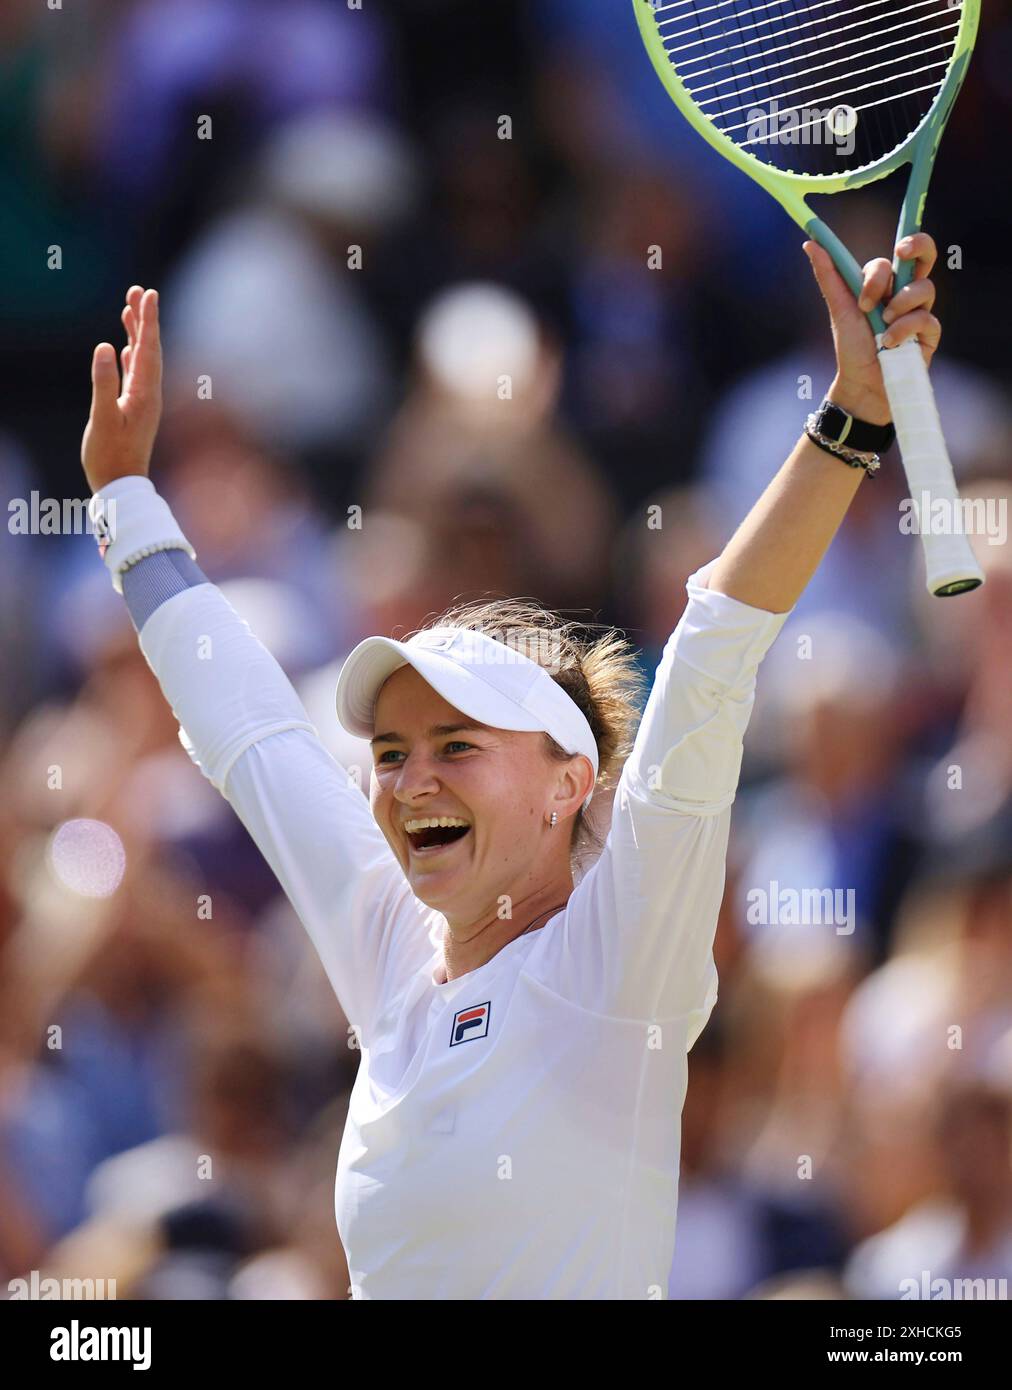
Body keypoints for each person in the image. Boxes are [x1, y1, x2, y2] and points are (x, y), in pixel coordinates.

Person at [80, 233, 945, 1299]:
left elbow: (717, 638)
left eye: (457, 744)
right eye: (391, 752)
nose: (411, 780)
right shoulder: (391, 954)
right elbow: (252, 733)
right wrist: (124, 497)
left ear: (566, 784)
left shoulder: (617, 959)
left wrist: (852, 418)